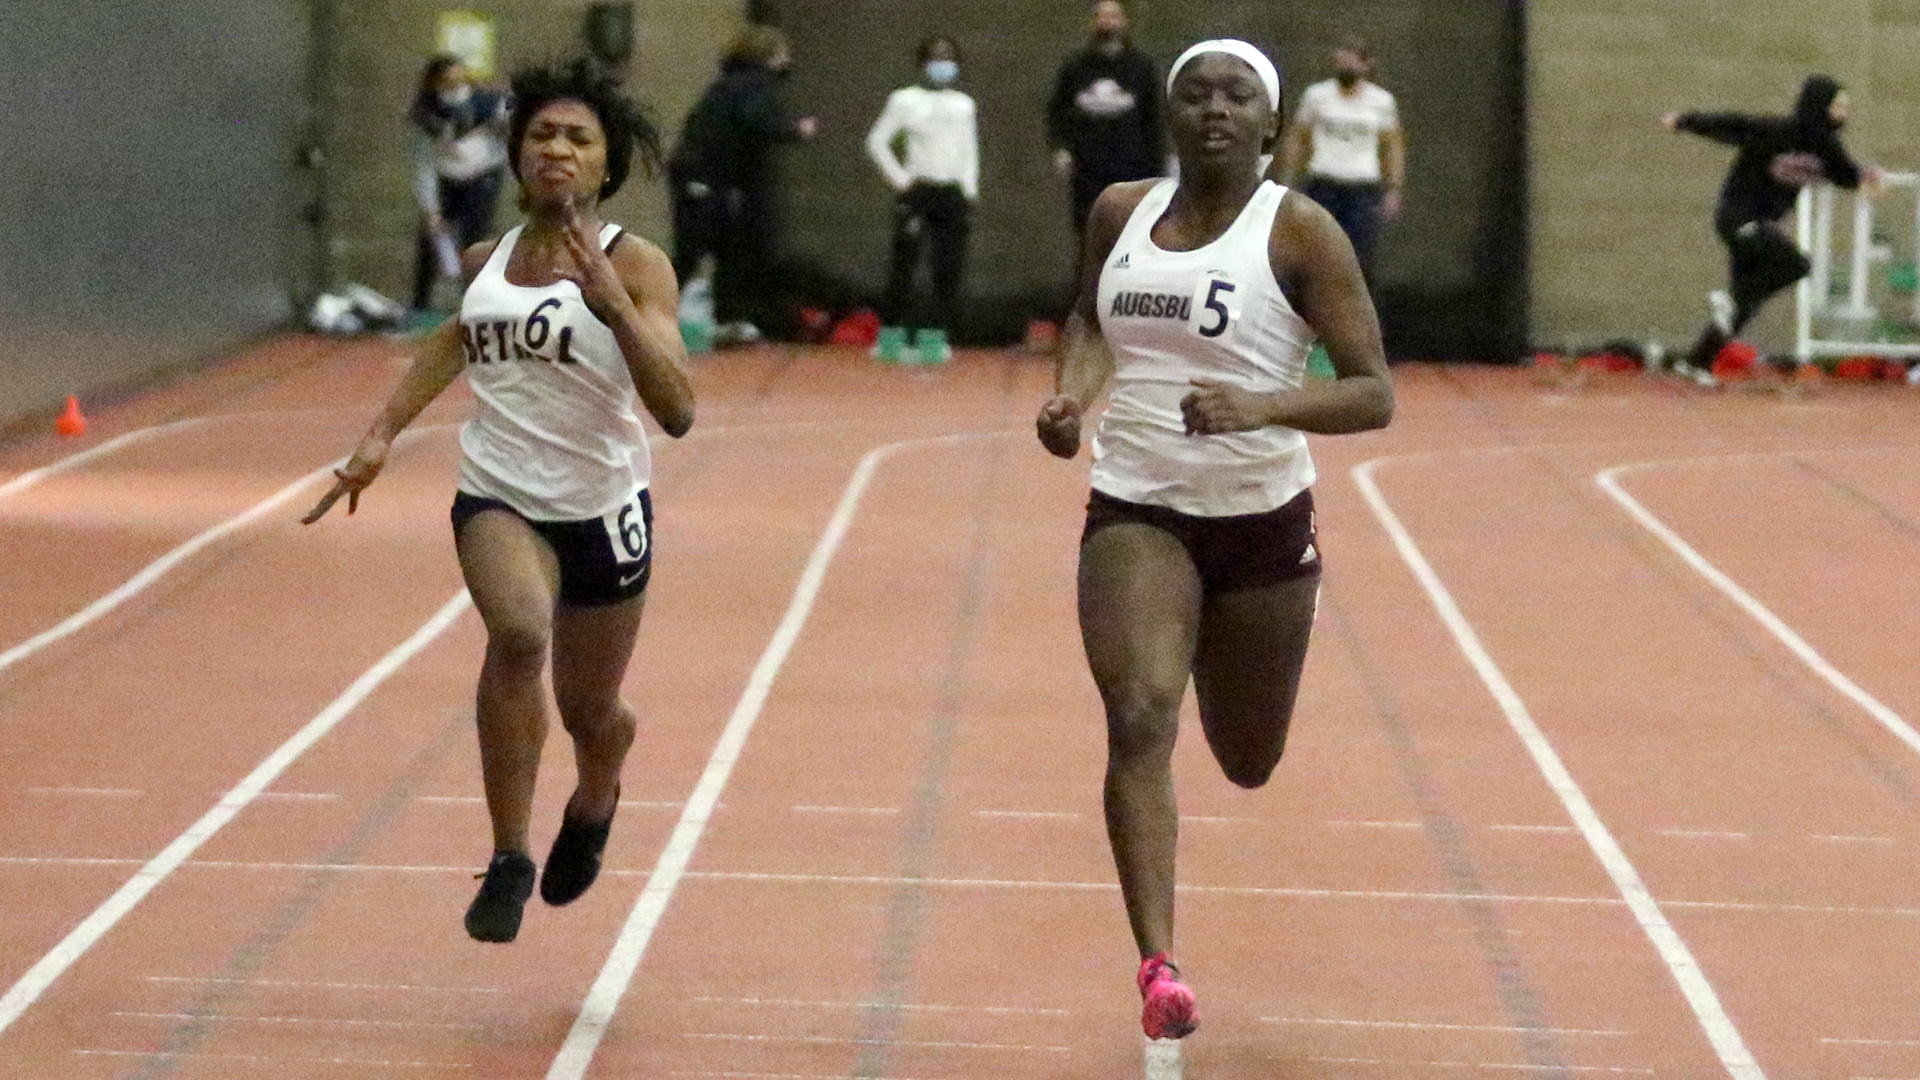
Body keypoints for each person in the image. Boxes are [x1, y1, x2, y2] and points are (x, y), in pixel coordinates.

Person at [1034, 40, 1393, 1040]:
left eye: (1237, 95)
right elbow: (1089, 320)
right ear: (1170, 114)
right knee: (1140, 714)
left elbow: (1374, 392)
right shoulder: (1120, 212)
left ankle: (1214, 656)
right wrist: (1071, 398)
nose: (1215, 110)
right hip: (1138, 507)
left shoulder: (1302, 232)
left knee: (1246, 757)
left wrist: (1262, 404)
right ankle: (1159, 966)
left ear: (1272, 122)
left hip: (1261, 522)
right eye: (1194, 95)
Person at [305, 59, 695, 944]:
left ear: (606, 163)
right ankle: (510, 855)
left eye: (578, 137)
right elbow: (457, 336)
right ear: (518, 154)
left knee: (591, 711)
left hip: (602, 506)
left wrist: (615, 308)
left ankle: (598, 789)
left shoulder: (639, 264)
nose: (557, 148)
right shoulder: (488, 260)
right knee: (518, 633)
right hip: (499, 493)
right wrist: (381, 434)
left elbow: (677, 410)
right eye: (542, 134)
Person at [1663, 76, 1882, 384]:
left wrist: (1868, 178)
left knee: (1744, 302)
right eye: (1837, 106)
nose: (1843, 114)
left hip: (1764, 224)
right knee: (1794, 265)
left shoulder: (1826, 146)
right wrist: (1685, 121)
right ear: (1820, 106)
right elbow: (1730, 125)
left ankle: (1697, 362)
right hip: (1738, 217)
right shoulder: (1776, 131)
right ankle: (1731, 302)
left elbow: (1845, 174)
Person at [668, 24, 819, 346]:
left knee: (728, 248)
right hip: (704, 177)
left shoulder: (728, 84)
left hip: (709, 178)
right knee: (694, 250)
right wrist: (794, 129)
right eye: (783, 52)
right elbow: (755, 119)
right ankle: (644, 313)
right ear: (770, 55)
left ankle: (728, 320)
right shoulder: (753, 85)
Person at [866, 35, 980, 362]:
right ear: (922, 63)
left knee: (947, 267)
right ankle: (891, 336)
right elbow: (877, 141)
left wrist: (969, 189)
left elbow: (969, 149)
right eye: (935, 58)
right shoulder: (904, 100)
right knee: (904, 264)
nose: (942, 64)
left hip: (951, 192)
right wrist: (902, 181)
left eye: (948, 58)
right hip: (917, 191)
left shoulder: (963, 105)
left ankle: (935, 338)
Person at [1278, 39, 1405, 283]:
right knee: (1314, 249)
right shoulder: (1317, 96)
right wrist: (1288, 179)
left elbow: (1392, 145)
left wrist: (1393, 188)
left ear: (1367, 64)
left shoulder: (1381, 101)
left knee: (1359, 254)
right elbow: (1298, 137)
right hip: (1324, 182)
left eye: (1352, 59)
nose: (1346, 64)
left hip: (1361, 187)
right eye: (1342, 57)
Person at [1047, 1, 1166, 238]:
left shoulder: (1141, 68)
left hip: (1132, 166)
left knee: (1131, 231)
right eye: (1102, 16)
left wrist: (1158, 169)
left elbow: (1153, 120)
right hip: (1087, 170)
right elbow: (1057, 113)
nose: (1107, 23)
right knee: (1089, 232)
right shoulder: (1075, 69)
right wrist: (1060, 149)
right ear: (1092, 23)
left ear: (1124, 22)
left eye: (1113, 16)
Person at [410, 56, 511, 312]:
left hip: (482, 174)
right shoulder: (426, 112)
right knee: (430, 240)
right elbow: (423, 161)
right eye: (446, 81)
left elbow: (510, 121)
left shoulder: (487, 103)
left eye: (459, 78)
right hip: (445, 177)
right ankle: (420, 305)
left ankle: (473, 302)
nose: (454, 85)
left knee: (474, 238)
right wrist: (431, 210)